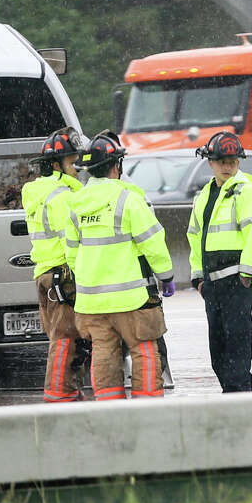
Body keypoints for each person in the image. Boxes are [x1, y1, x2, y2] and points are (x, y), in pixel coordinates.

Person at [65, 131, 175, 401]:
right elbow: (153, 243)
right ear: (117, 166)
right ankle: (147, 403)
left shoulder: (76, 204)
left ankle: (110, 407)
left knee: (103, 351)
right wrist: (166, 276)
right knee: (144, 349)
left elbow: (72, 255)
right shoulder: (129, 199)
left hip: (92, 302)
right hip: (132, 299)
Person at [187, 131, 252, 392]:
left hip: (237, 283)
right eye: (221, 161)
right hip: (213, 286)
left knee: (237, 351)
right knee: (219, 352)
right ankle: (231, 394)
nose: (227, 166)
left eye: (232, 161)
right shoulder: (204, 195)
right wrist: (198, 278)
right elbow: (195, 236)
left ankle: (240, 399)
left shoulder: (248, 193)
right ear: (210, 161)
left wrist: (247, 275)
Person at [21, 127, 85, 402]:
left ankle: (65, 390)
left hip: (46, 274)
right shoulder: (62, 197)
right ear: (57, 165)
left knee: (59, 337)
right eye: (72, 162)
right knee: (65, 338)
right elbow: (74, 239)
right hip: (62, 273)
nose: (78, 168)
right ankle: (59, 392)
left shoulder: (39, 192)